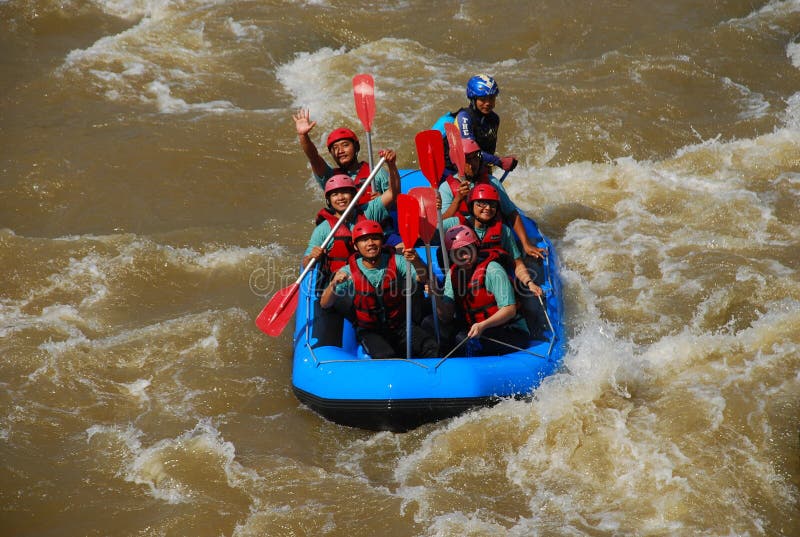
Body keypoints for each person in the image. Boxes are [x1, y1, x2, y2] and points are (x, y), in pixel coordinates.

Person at [320, 220, 439, 359]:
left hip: (400, 326)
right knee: (386, 356)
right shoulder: (348, 272)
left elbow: (422, 279)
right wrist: (333, 284)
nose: (370, 243)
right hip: (370, 330)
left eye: (375, 238)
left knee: (431, 346)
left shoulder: (397, 261)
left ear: (382, 242)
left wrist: (416, 260)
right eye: (364, 240)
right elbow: (325, 304)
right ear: (356, 246)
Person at [442, 183, 548, 338]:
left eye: (492, 205)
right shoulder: (458, 225)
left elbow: (517, 264)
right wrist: (455, 201)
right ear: (471, 206)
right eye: (481, 204)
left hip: (495, 281)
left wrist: (529, 283)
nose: (487, 208)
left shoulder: (503, 231)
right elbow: (432, 231)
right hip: (467, 281)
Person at [302, 149, 400, 281]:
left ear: (354, 196)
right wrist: (312, 257)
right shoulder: (323, 229)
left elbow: (393, 193)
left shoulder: (368, 211)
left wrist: (392, 165)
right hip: (343, 283)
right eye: (335, 194)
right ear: (329, 201)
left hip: (375, 276)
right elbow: (306, 264)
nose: (340, 198)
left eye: (345, 192)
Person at [440, 138, 545, 259]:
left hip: (490, 238)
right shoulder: (446, 188)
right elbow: (442, 223)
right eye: (468, 159)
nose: (473, 163)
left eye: (475, 157)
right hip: (462, 243)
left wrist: (526, 244)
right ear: (457, 162)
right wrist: (458, 200)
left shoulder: (491, 181)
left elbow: (511, 213)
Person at [436, 225, 530, 356]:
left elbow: (509, 310)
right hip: (479, 329)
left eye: (468, 250)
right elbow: (446, 316)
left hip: (510, 330)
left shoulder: (493, 270)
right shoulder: (452, 275)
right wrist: (435, 296)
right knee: (431, 325)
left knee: (463, 340)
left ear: (475, 249)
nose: (464, 256)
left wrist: (483, 325)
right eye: (458, 253)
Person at [293, 108, 390, 198]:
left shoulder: (377, 173)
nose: (340, 151)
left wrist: (383, 201)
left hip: (372, 216)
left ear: (357, 147)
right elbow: (313, 157)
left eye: (345, 145)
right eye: (335, 148)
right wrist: (303, 135)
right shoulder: (329, 176)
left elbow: (395, 201)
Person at [432, 74, 517, 176]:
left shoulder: (494, 119)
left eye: (491, 98)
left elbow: (488, 151)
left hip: (475, 170)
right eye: (483, 99)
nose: (488, 103)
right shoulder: (464, 118)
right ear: (473, 99)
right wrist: (499, 161)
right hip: (452, 170)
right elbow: (469, 153)